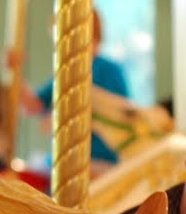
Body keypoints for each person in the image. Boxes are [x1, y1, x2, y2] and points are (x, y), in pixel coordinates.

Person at [19, 10, 131, 167]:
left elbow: (121, 117)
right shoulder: (67, 71)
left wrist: (64, 118)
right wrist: (16, 71)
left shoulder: (108, 71)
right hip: (67, 158)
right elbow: (33, 104)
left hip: (100, 161)